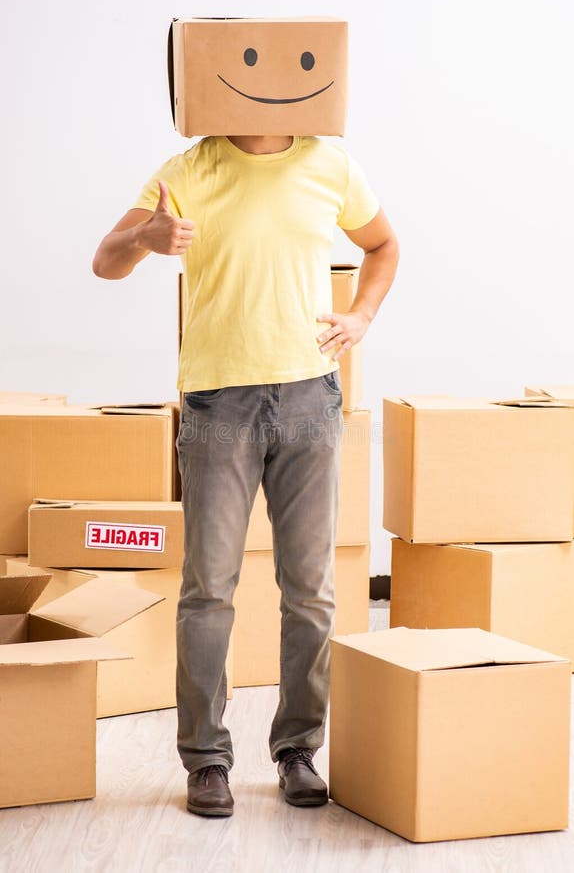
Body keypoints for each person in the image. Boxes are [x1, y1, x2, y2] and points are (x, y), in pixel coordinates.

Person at [92, 132, 399, 817]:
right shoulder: (188, 169)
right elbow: (104, 262)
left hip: (309, 397)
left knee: (311, 589)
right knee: (208, 589)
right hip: (218, 403)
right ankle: (206, 760)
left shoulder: (330, 164)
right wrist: (145, 237)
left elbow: (383, 245)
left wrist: (361, 315)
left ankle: (298, 751)